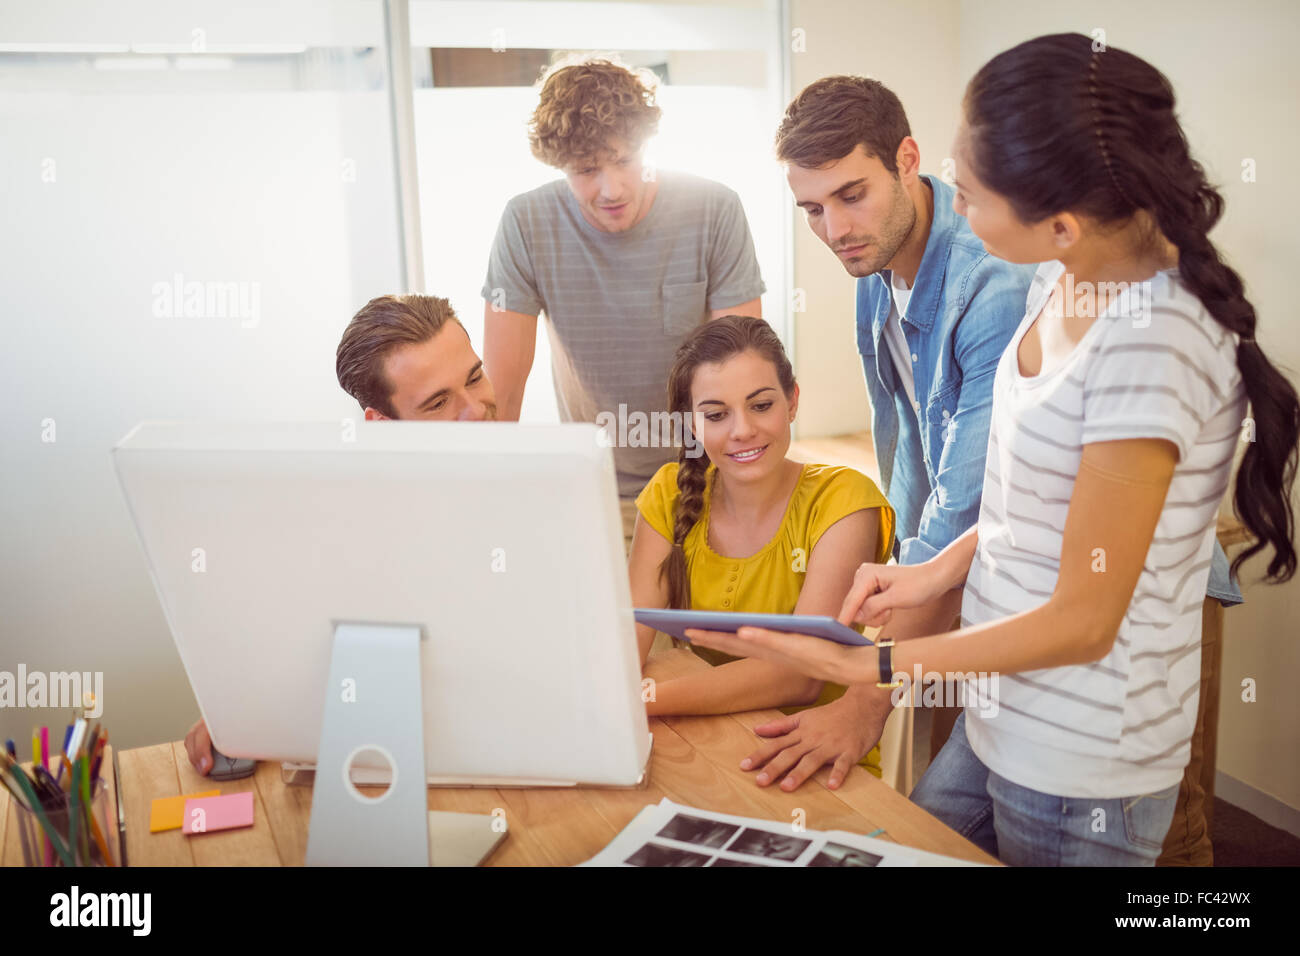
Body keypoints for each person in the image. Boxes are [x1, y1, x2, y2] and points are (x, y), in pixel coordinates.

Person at [687, 33, 1298, 866]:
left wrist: (875, 671)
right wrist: (936, 569)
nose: (957, 209)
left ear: (1060, 211)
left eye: (970, 195)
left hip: (1080, 754)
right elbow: (1023, 494)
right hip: (1006, 709)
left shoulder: (1147, 343)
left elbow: (1084, 621)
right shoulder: (1059, 273)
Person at [185, 295, 494, 773]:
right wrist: (249, 713)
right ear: (382, 426)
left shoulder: (546, 493)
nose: (475, 409)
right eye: (437, 401)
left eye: (475, 377)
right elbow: (310, 659)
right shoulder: (344, 529)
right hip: (401, 773)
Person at [483, 56, 765, 546]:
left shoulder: (715, 209)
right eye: (586, 169)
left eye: (625, 160)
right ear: (559, 166)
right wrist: (491, 505)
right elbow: (503, 395)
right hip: (596, 489)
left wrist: (746, 494)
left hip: (707, 481)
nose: (611, 188)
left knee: (711, 624)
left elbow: (743, 374)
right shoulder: (526, 223)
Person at [630, 315, 894, 776]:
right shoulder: (667, 495)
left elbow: (799, 673)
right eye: (716, 414)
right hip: (697, 739)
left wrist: (638, 703)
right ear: (691, 425)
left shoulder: (844, 501)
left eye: (760, 405)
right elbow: (626, 645)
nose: (742, 430)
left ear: (792, 401)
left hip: (812, 756)